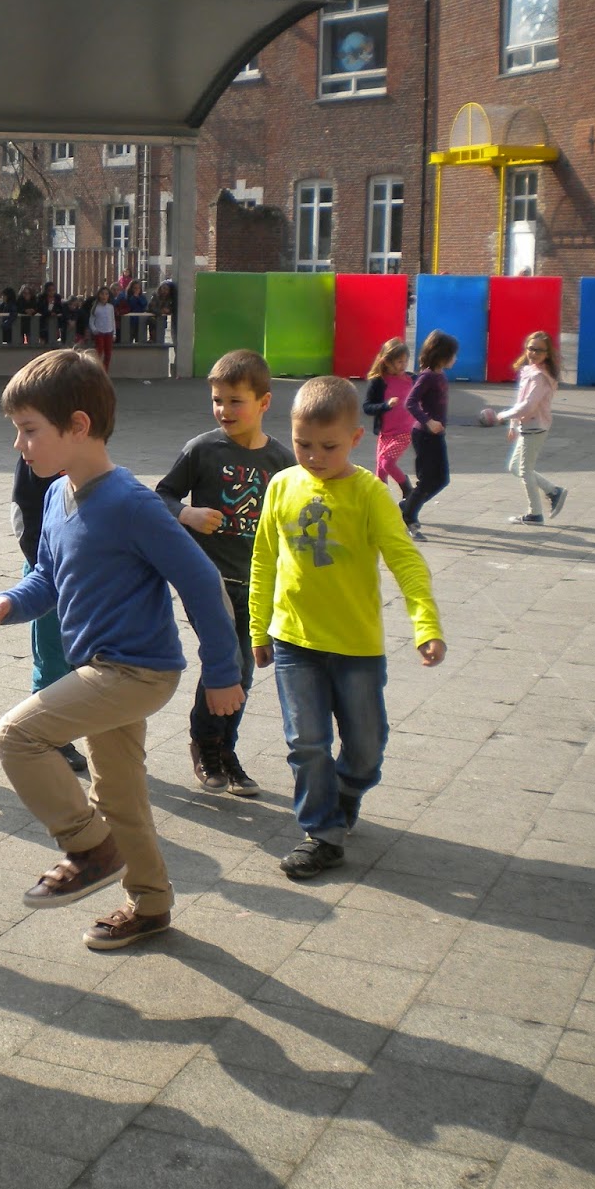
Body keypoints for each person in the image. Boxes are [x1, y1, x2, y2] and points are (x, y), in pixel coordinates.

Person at [0, 351, 244, 950]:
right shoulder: (56, 495)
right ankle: (150, 905)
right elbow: (47, 577)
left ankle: (88, 848)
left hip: (137, 672)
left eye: (29, 430)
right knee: (120, 797)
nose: (19, 445)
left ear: (78, 426)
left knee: (16, 736)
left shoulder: (132, 503)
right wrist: (10, 603)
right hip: (97, 669)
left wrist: (222, 672)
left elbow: (202, 582)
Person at [250, 375, 445, 881]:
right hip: (294, 641)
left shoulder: (369, 494)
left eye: (329, 446)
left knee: (365, 746)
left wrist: (425, 624)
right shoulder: (282, 485)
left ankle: (347, 791)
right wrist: (258, 628)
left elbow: (406, 561)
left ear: (356, 438)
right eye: (303, 444)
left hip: (356, 647)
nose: (314, 456)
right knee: (306, 742)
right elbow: (264, 560)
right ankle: (323, 834)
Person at [155, 349, 294, 799]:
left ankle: (223, 748)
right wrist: (187, 514)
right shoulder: (202, 450)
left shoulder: (282, 461)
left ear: (264, 402)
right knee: (227, 662)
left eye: (236, 401)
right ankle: (206, 744)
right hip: (207, 580)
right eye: (217, 400)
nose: (224, 410)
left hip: (256, 586)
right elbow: (162, 496)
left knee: (243, 670)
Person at [10, 456, 88, 774]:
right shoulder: (37, 456)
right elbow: (23, 514)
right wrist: (42, 567)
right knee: (52, 656)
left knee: (86, 657)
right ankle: (48, 735)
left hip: (86, 570)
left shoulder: (88, 453)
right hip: (48, 571)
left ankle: (84, 727)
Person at [491, 331, 568, 525]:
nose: (533, 353)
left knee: (525, 470)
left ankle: (535, 514)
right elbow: (521, 400)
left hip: (536, 426)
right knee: (515, 467)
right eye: (531, 348)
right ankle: (553, 491)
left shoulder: (539, 377)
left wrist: (503, 415)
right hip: (527, 425)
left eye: (539, 350)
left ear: (547, 354)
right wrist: (513, 424)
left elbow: (528, 405)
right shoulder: (530, 371)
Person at [398, 330, 458, 542]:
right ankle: (409, 517)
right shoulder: (428, 376)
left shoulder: (439, 375)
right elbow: (410, 402)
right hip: (424, 435)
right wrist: (429, 421)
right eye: (452, 354)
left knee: (442, 479)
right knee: (427, 480)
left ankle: (408, 504)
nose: (455, 358)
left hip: (436, 436)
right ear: (441, 355)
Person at [361, 338, 415, 503]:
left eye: (405, 361)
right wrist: (385, 405)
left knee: (387, 462)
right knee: (380, 472)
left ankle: (407, 489)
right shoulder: (378, 382)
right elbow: (367, 407)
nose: (403, 365)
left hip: (405, 431)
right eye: (399, 362)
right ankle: (381, 501)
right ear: (386, 361)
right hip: (386, 433)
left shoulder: (411, 379)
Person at [87, 285, 116, 371]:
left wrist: (114, 333)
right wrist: (94, 330)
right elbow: (91, 321)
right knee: (99, 353)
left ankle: (105, 372)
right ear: (99, 295)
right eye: (102, 294)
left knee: (108, 354)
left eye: (106, 294)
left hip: (109, 333)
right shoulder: (95, 307)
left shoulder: (110, 307)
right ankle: (97, 371)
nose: (104, 296)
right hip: (99, 333)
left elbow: (112, 320)